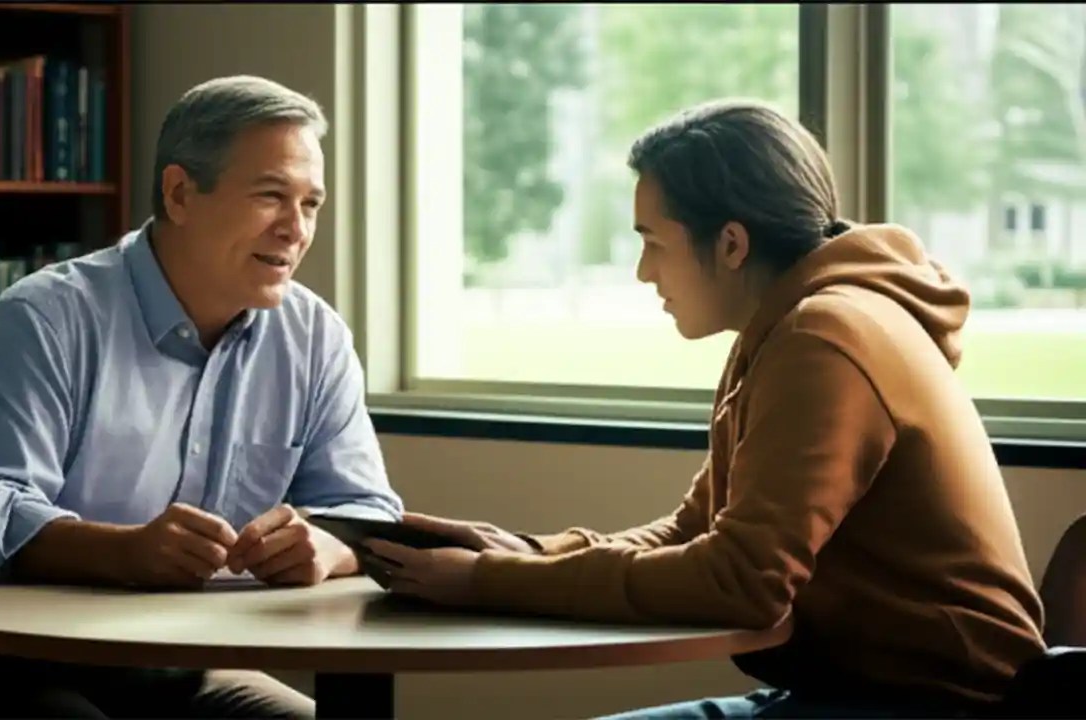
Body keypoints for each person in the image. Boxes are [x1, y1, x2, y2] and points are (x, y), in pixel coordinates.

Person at [364, 98, 1047, 718]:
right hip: (847, 690)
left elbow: (742, 582)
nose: (642, 272)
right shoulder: (790, 327)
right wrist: (525, 554)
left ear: (730, 244)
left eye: (652, 241)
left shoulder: (825, 337)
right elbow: (697, 530)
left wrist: (490, 582)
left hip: (933, 706)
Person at [0, 75, 404, 719]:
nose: (296, 229)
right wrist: (123, 553)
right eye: (271, 196)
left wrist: (327, 545)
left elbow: (368, 512)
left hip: (180, 669)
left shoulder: (314, 337)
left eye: (311, 204)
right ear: (180, 193)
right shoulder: (45, 318)